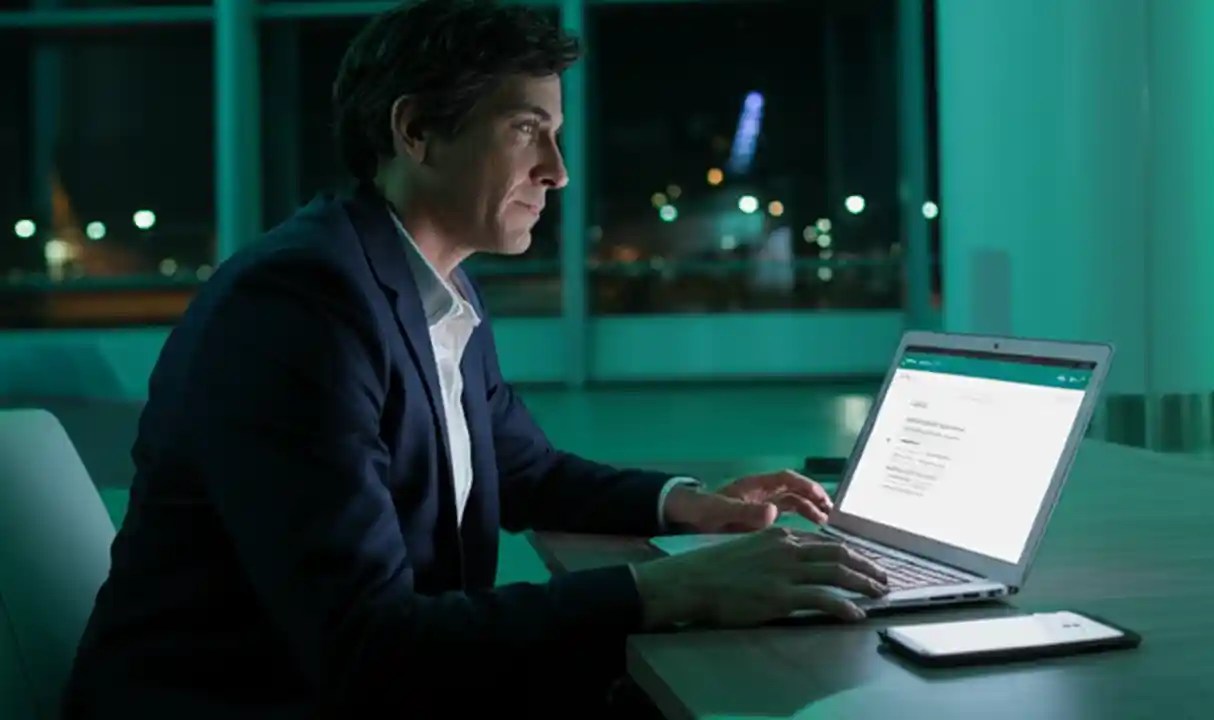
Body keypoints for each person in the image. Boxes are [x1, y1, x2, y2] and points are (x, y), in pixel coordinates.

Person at [63, 1, 888, 716]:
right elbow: (368, 645)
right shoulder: (299, 309)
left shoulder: (426, 279)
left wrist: (686, 506)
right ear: (416, 130)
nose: (557, 172)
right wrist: (668, 589)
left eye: (555, 136)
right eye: (528, 131)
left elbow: (520, 466)